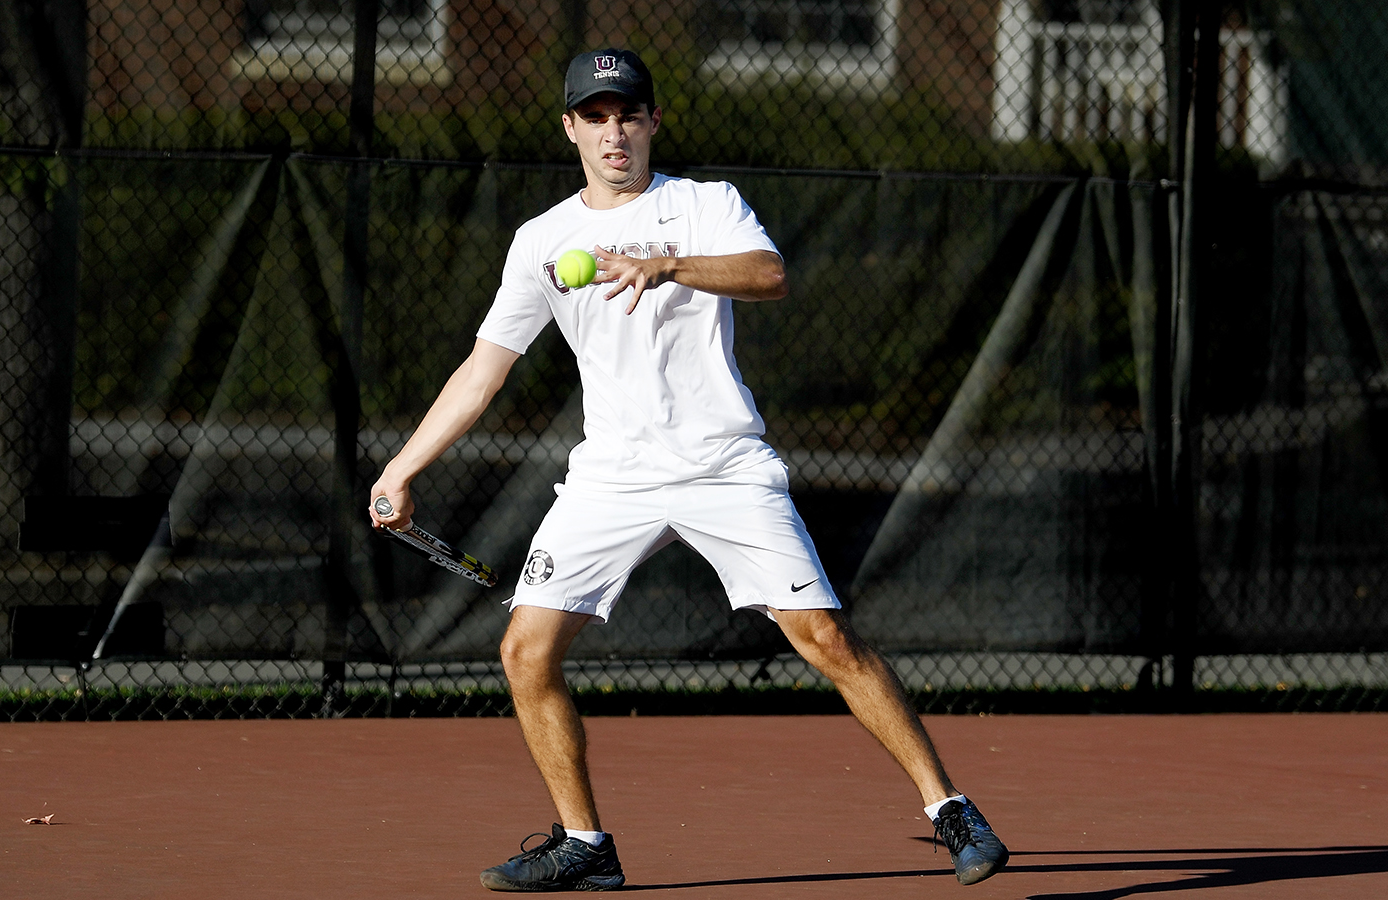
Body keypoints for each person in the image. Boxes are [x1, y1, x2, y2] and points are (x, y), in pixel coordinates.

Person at [368, 48, 1009, 893]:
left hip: (725, 467)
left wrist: (665, 263)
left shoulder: (705, 206)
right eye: (594, 118)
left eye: (628, 114)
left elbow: (769, 274)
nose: (614, 133)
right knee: (525, 652)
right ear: (571, 129)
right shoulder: (540, 242)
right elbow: (483, 371)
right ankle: (586, 845)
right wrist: (402, 467)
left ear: (653, 120)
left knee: (826, 638)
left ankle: (950, 808)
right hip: (610, 479)